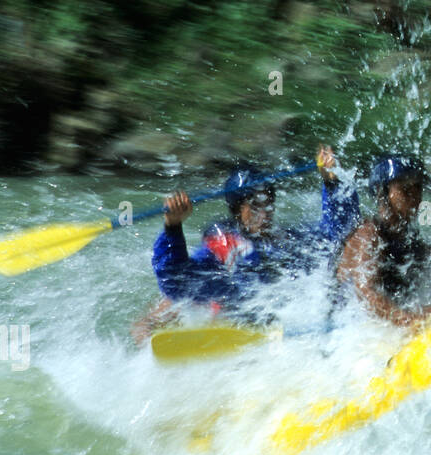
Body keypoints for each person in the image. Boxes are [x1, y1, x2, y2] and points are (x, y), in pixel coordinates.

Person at [130, 146, 357, 342]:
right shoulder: (224, 249)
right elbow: (176, 282)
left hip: (282, 323)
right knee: (164, 309)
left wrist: (333, 182)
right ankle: (151, 324)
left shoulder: (286, 240)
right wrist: (173, 228)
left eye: (268, 203)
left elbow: (339, 233)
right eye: (255, 205)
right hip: (231, 319)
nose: (264, 212)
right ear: (237, 210)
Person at [333, 154, 431, 328]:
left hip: (384, 327)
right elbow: (366, 292)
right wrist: (410, 320)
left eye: (417, 188)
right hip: (347, 332)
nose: (414, 198)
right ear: (382, 193)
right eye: (405, 190)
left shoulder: (417, 246)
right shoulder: (368, 234)